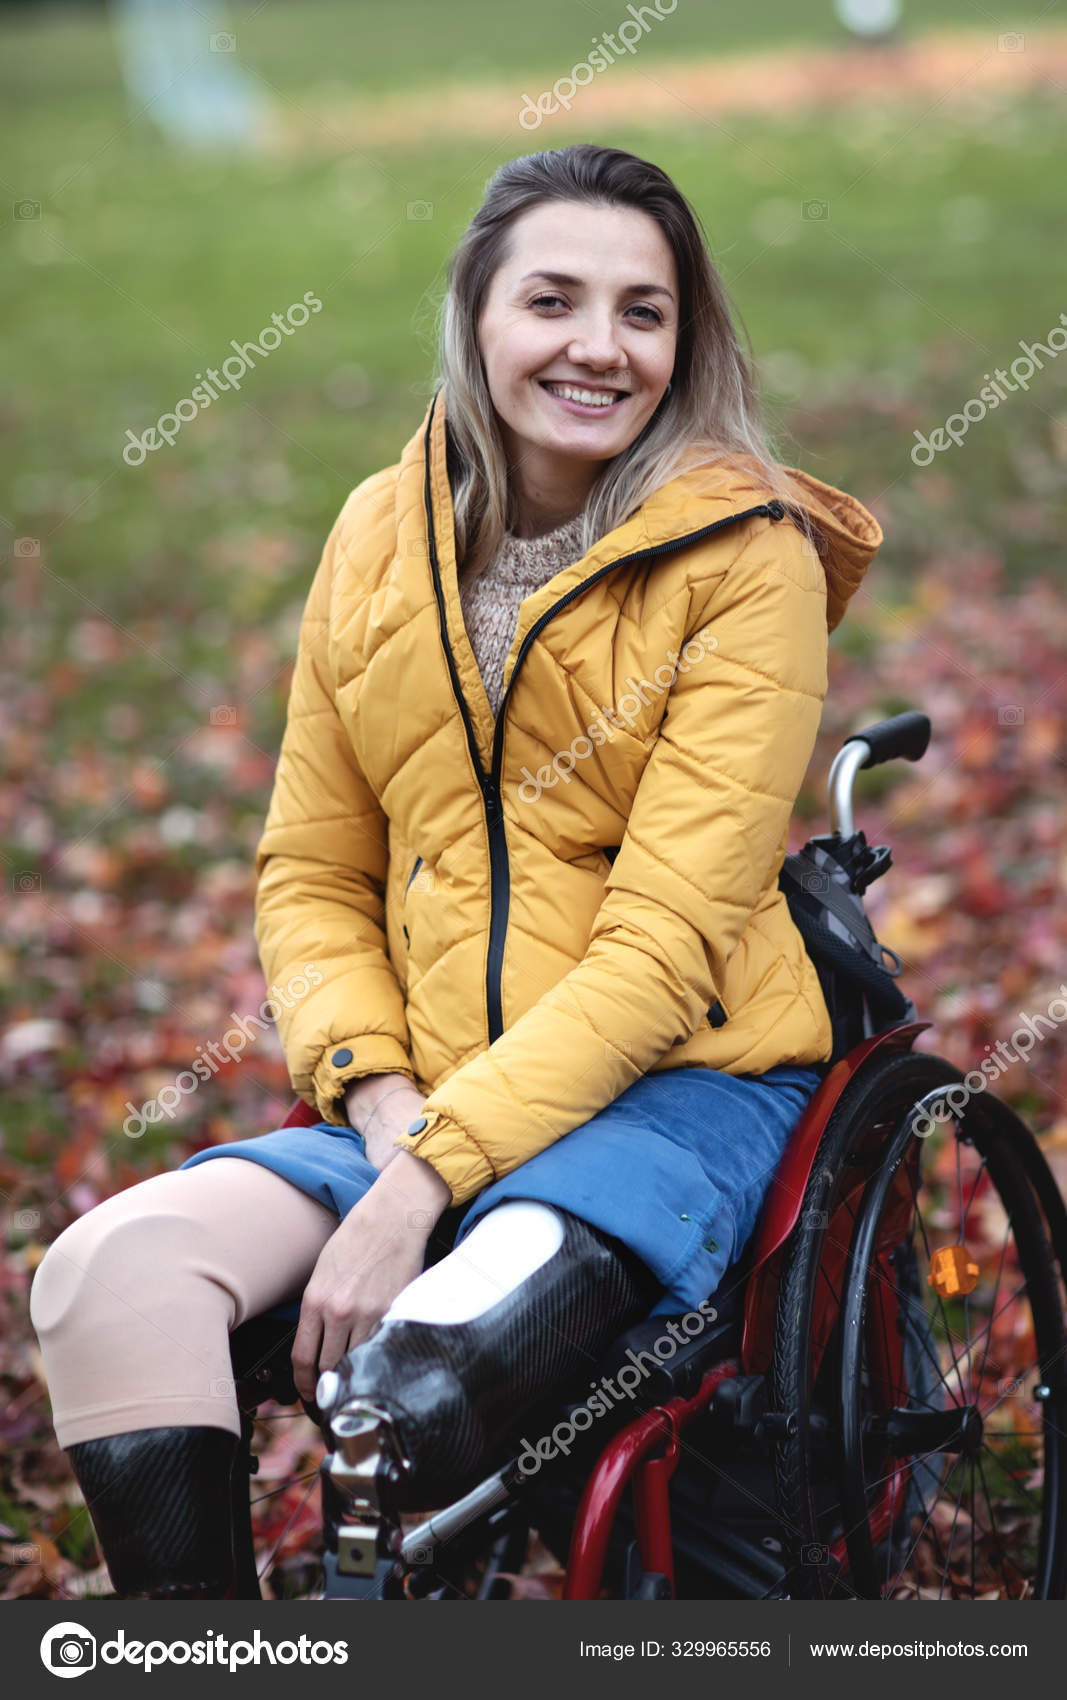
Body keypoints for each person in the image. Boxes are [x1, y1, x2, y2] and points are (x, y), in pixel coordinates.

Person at [30, 142, 883, 1599]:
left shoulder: (751, 560)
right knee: (108, 1280)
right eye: (553, 299)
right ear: (478, 314)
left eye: (644, 311)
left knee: (427, 1364)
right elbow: (310, 869)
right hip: (414, 1098)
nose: (599, 348)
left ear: (686, 342)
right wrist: (385, 1112)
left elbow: (668, 945)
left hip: (678, 1094)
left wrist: (427, 1177)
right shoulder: (379, 534)